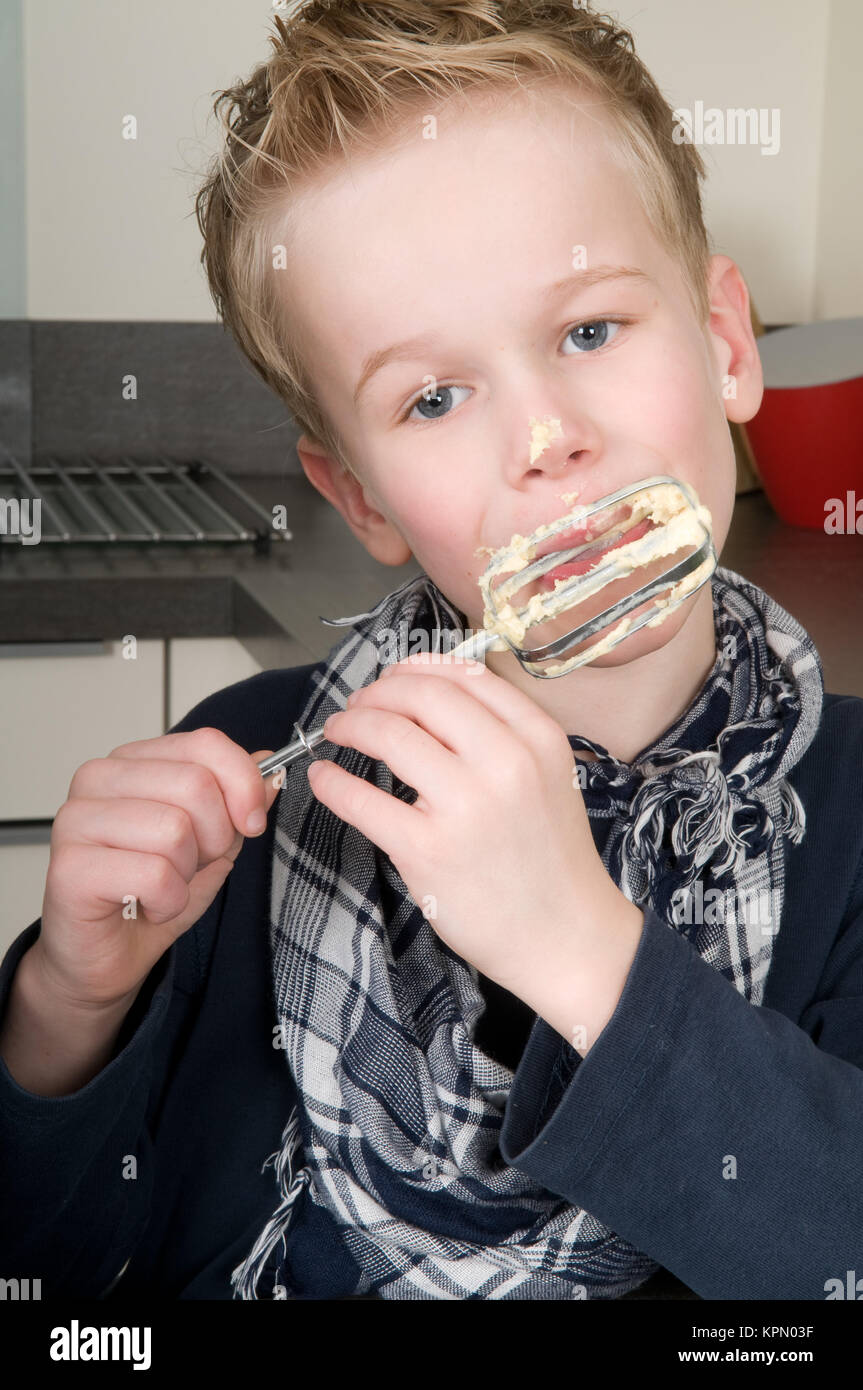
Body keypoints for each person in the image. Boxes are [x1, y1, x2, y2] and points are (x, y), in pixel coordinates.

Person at [2, 0, 862, 1301]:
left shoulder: (852, 820)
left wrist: (582, 947)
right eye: (435, 397)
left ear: (727, 343)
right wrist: (68, 1009)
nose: (543, 435)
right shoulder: (257, 773)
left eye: (589, 330)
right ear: (361, 499)